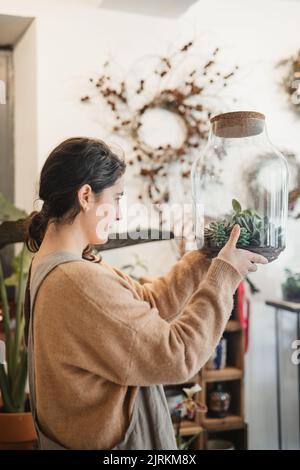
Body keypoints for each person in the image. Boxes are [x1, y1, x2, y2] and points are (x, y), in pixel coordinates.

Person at [24, 137, 268, 450]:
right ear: (86, 196)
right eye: (117, 197)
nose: (120, 215)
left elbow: (146, 303)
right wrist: (224, 275)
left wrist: (204, 257)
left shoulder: (56, 264)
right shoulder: (76, 280)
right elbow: (177, 355)